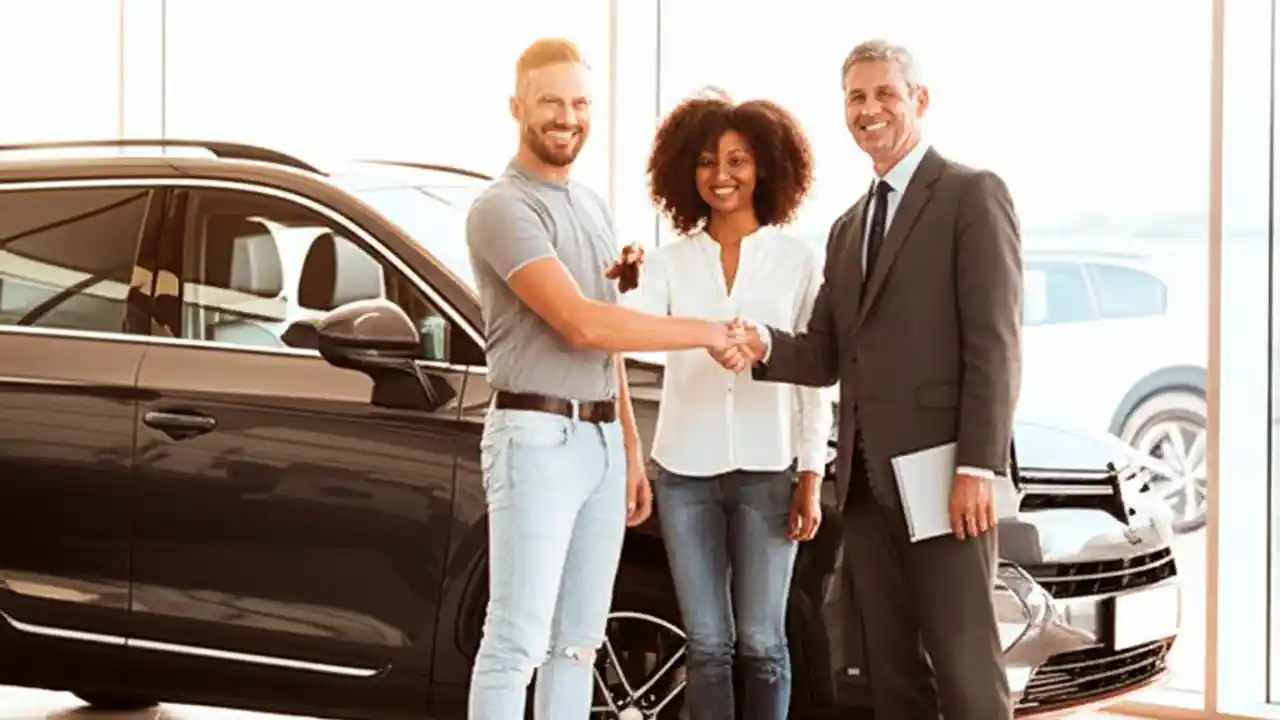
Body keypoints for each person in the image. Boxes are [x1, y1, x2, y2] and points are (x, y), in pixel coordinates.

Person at [727, 39, 1022, 719]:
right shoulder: (847, 227)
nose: (870, 109)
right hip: (864, 487)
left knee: (967, 668)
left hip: (946, 478)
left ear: (918, 100)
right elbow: (830, 352)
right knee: (891, 676)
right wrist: (761, 344)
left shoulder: (971, 195)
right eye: (856, 97)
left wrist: (978, 466)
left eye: (885, 93)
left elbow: (996, 347)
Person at [463, 38, 741, 720]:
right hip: (534, 437)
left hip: (596, 441)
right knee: (515, 642)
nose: (568, 116)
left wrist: (627, 447)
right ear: (517, 107)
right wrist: (708, 331)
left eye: (581, 102)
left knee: (579, 644)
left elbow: (609, 332)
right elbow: (582, 325)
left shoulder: (589, 205)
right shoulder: (502, 207)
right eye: (552, 102)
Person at [621, 93, 833, 720]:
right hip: (684, 473)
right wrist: (625, 279)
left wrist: (812, 476)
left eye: (738, 160)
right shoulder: (666, 263)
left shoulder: (798, 260)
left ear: (765, 167)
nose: (722, 175)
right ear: (685, 171)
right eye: (708, 161)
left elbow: (815, 376)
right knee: (709, 645)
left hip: (770, 472)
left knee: (764, 643)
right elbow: (621, 332)